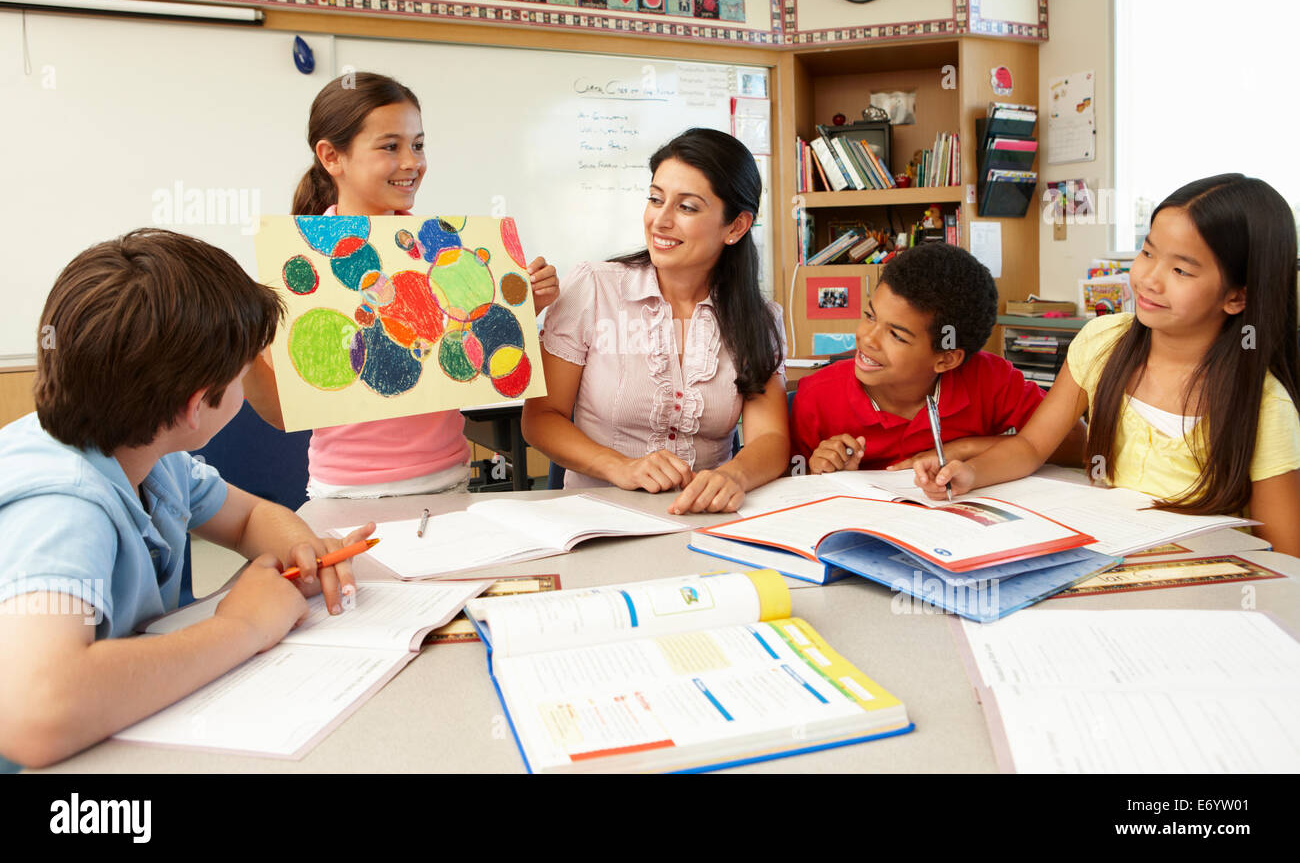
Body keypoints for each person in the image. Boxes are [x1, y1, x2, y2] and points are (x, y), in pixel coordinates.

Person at [0, 230, 376, 768]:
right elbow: (32, 714)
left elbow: (248, 518)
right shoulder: (61, 505)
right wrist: (240, 628)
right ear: (195, 406)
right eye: (245, 373)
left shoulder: (149, 453)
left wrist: (303, 548)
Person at [914, 174, 1300, 556]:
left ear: (1236, 296)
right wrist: (972, 474)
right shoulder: (1102, 342)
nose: (1149, 279)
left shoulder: (1264, 404)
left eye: (1180, 270)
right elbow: (1032, 445)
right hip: (1108, 555)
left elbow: (1283, 554)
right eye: (1147, 252)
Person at [243, 73, 558, 497]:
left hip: (449, 479)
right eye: (390, 147)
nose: (412, 161)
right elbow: (284, 414)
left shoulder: (445, 249)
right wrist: (241, 349)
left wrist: (524, 306)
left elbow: (467, 349)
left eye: (419, 144)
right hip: (346, 492)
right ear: (331, 157)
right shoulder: (296, 263)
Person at [521, 128, 789, 514]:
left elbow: (772, 438)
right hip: (596, 516)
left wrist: (733, 476)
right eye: (655, 199)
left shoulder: (759, 320)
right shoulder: (593, 288)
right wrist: (621, 467)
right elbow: (541, 419)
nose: (659, 221)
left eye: (687, 207)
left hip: (703, 520)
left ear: (736, 227)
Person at [791, 242, 1083, 474]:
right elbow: (789, 486)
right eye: (870, 316)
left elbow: (1078, 447)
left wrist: (965, 449)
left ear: (946, 360)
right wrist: (822, 469)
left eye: (897, 335)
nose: (867, 339)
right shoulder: (817, 396)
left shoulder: (990, 379)